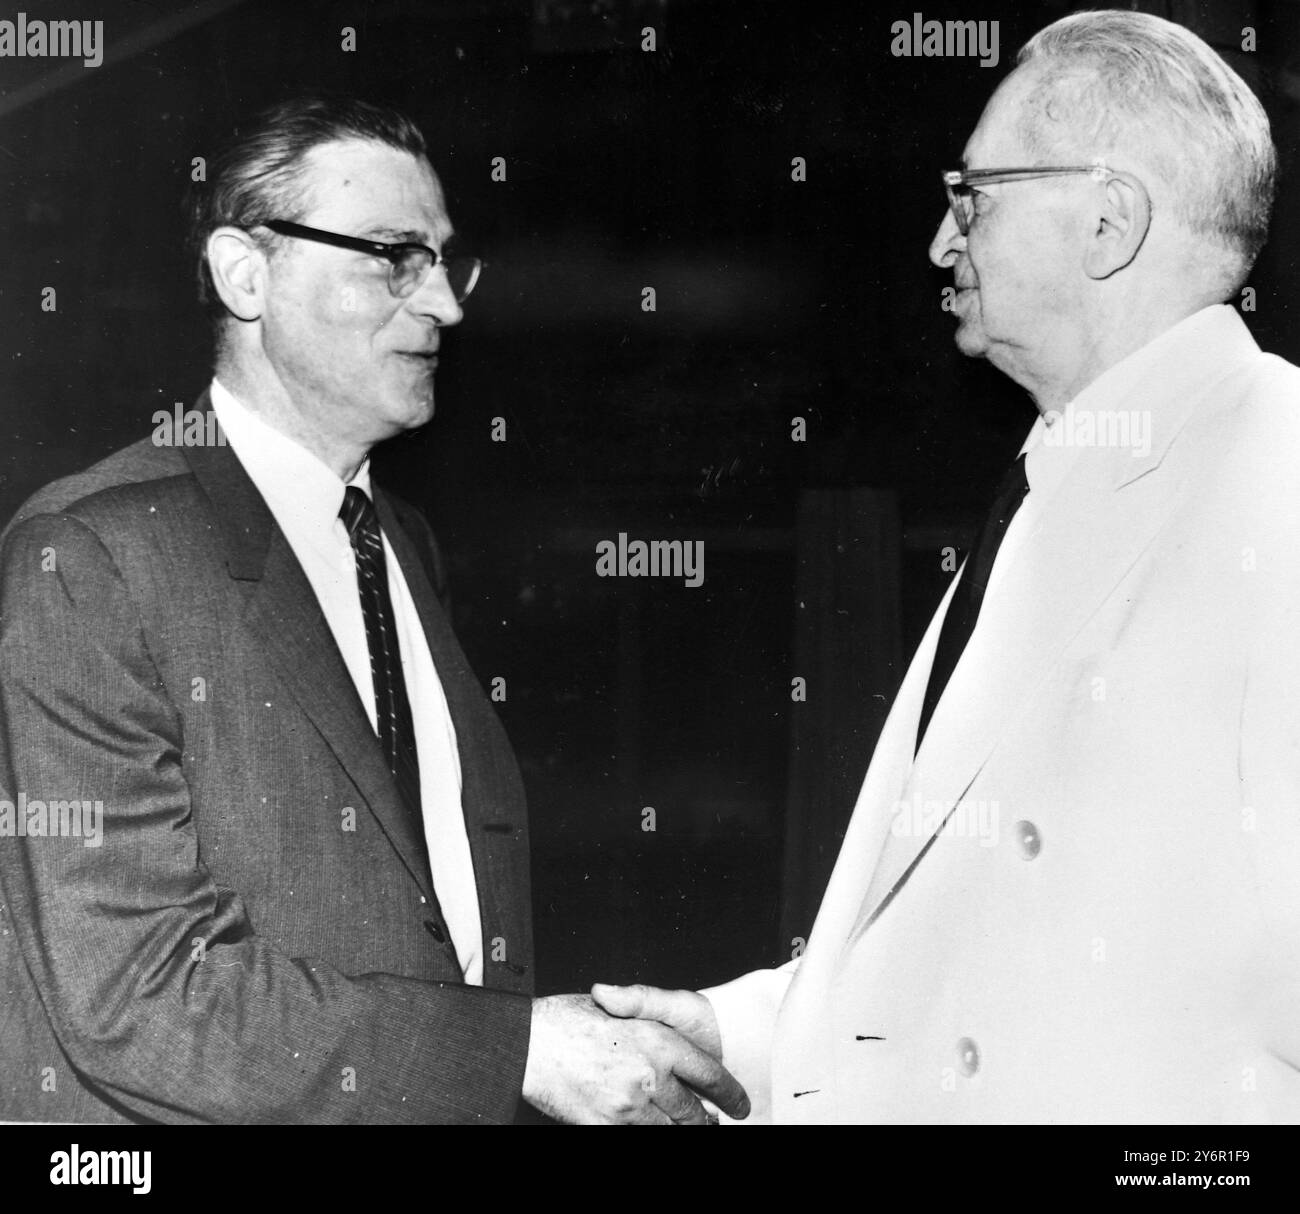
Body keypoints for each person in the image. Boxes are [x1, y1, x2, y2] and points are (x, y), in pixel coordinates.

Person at [595, 9, 1300, 1123]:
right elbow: (975, 937)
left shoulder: (1278, 475)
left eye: (972, 195)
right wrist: (744, 1033)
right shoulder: (1053, 485)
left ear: (1107, 222)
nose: (939, 239)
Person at [0, 96, 748, 1126]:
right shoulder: (91, 555)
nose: (444, 304)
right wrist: (518, 1049)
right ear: (244, 273)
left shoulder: (399, 539)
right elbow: (139, 995)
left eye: (445, 261)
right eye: (394, 257)